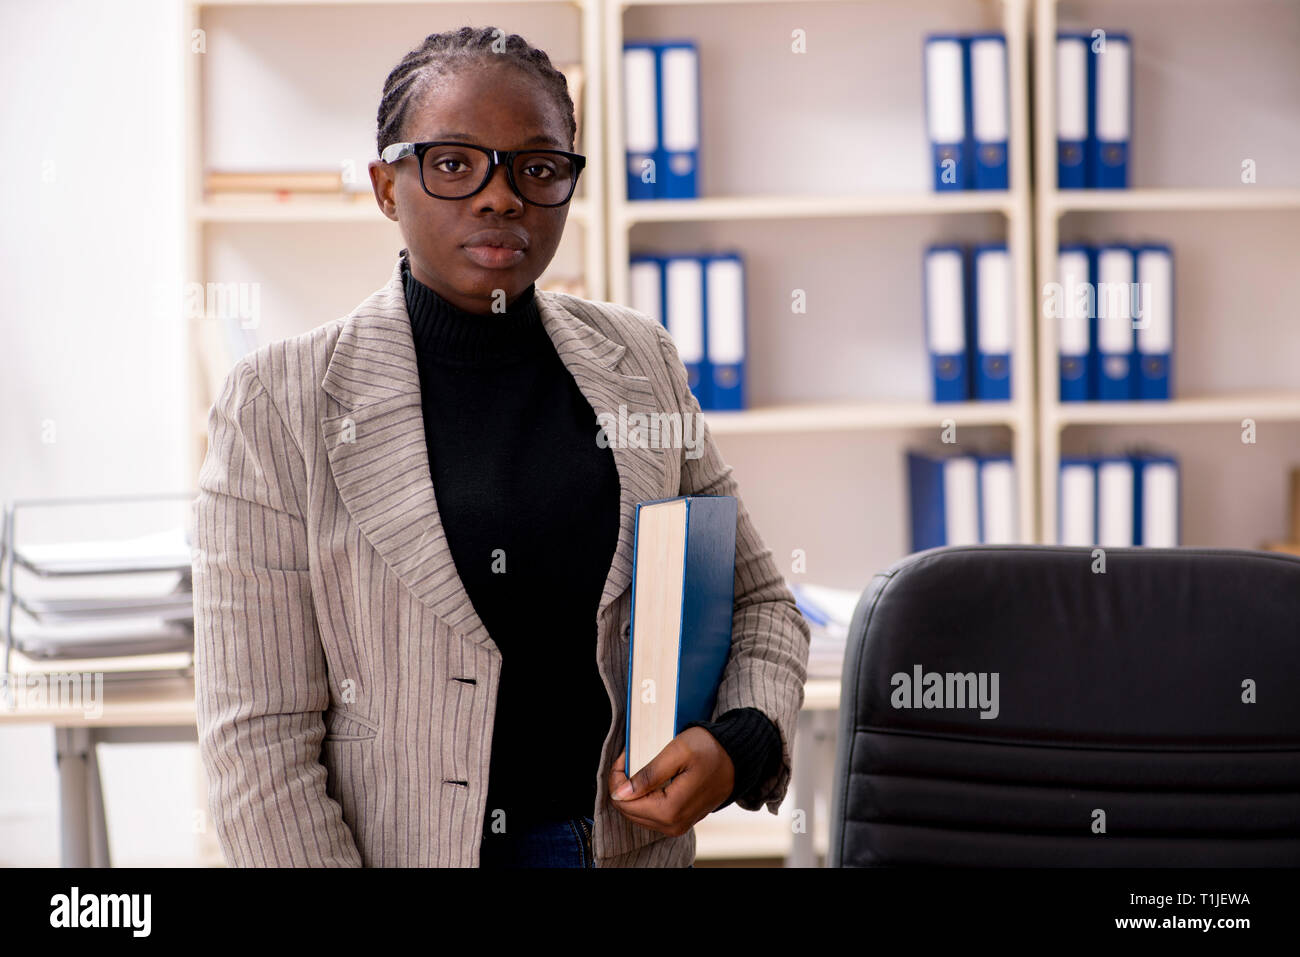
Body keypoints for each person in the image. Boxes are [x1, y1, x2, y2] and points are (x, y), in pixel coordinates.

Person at [193, 26, 809, 868]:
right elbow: (257, 748)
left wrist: (739, 740)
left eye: (538, 167)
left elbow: (762, 603)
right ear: (385, 185)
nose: (500, 197)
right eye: (453, 164)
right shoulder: (276, 403)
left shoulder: (640, 361)